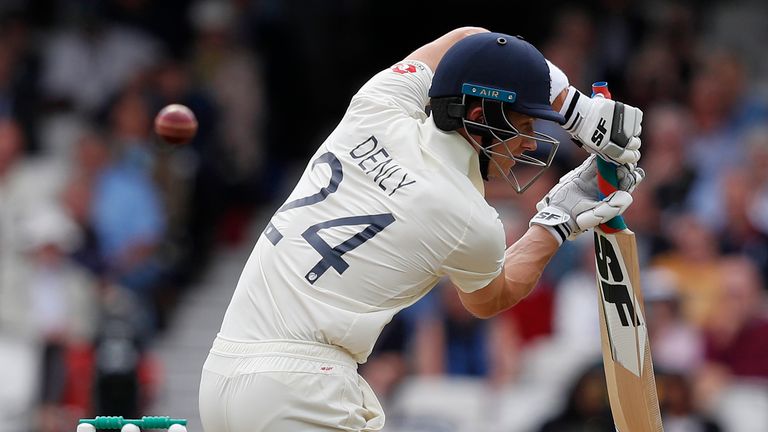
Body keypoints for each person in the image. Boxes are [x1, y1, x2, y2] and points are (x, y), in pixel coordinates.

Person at [198, 27, 645, 432]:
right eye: (524, 124)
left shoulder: (377, 105)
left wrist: (571, 105)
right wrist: (558, 220)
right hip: (301, 391)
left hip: (222, 372)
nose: (531, 142)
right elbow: (490, 297)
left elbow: (470, 38)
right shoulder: (465, 215)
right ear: (478, 116)